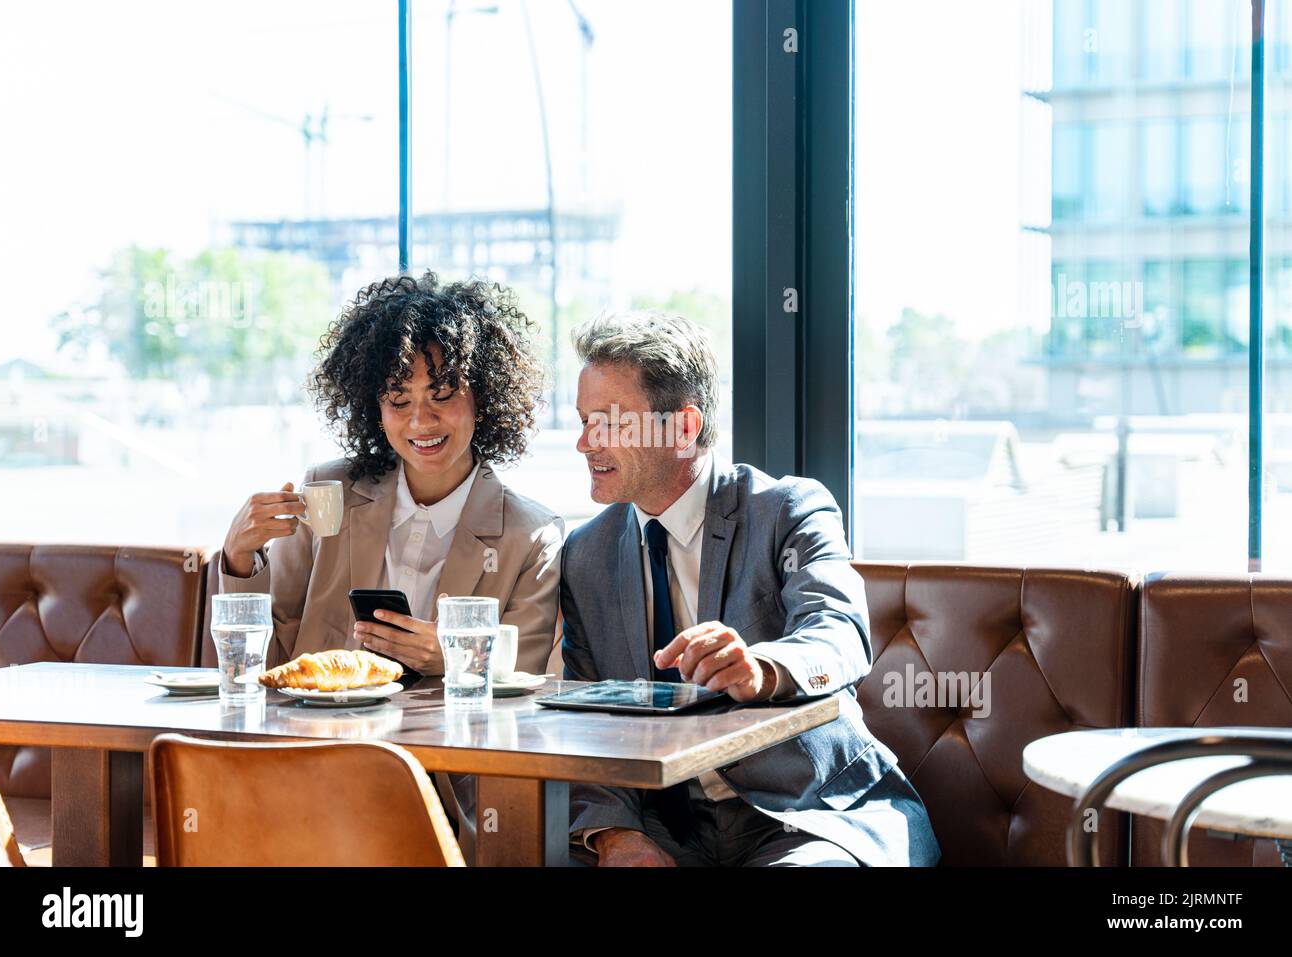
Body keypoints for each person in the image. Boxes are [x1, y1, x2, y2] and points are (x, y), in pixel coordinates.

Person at [560, 312, 940, 867]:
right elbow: (588, 723)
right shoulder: (586, 554)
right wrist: (615, 836)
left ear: (683, 427)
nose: (582, 444)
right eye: (582, 421)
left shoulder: (789, 509)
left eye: (608, 424)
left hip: (810, 817)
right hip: (669, 829)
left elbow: (840, 634)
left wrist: (762, 669)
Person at [208, 271, 563, 860]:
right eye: (399, 402)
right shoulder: (329, 494)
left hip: (440, 783)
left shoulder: (530, 535)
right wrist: (240, 559)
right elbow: (262, 667)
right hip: (304, 763)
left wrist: (450, 658)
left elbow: (527, 694)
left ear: (485, 395)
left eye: (442, 397)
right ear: (374, 406)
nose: (421, 423)